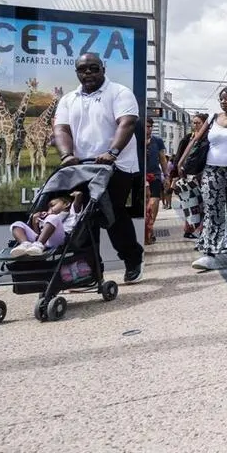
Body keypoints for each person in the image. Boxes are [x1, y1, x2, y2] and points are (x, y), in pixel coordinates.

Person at [53, 53, 145, 284]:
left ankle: (132, 258)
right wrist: (66, 155)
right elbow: (61, 129)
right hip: (82, 167)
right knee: (83, 218)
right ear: (77, 72)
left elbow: (127, 123)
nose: (88, 73)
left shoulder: (119, 93)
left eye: (93, 68)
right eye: (83, 69)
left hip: (116, 166)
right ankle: (91, 270)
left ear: (103, 69)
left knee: (112, 214)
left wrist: (112, 152)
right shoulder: (68, 99)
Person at [181, 86, 227, 271]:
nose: (223, 101)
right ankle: (209, 253)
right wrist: (181, 162)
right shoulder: (213, 117)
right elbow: (196, 140)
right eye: (221, 98)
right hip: (212, 170)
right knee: (212, 210)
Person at [9, 191, 85, 257]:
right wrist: (35, 223)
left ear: (66, 204)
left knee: (53, 218)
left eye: (52, 205)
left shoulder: (72, 213)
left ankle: (39, 244)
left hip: (61, 239)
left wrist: (76, 195)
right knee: (17, 224)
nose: (49, 209)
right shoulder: (47, 218)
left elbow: (79, 196)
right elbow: (37, 234)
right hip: (42, 242)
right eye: (48, 208)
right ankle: (25, 244)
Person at [172, 113, 207, 239]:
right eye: (194, 122)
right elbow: (178, 156)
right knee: (189, 203)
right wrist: (176, 174)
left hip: (200, 175)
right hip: (187, 176)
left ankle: (199, 230)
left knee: (201, 204)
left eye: (198, 123)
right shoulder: (188, 138)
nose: (195, 125)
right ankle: (190, 229)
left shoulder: (206, 139)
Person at [144, 117, 168, 245]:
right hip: (140, 176)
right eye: (146, 126)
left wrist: (166, 175)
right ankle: (145, 230)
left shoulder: (157, 140)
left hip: (155, 175)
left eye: (150, 126)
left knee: (154, 203)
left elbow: (162, 158)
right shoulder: (136, 139)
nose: (148, 129)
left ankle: (150, 229)